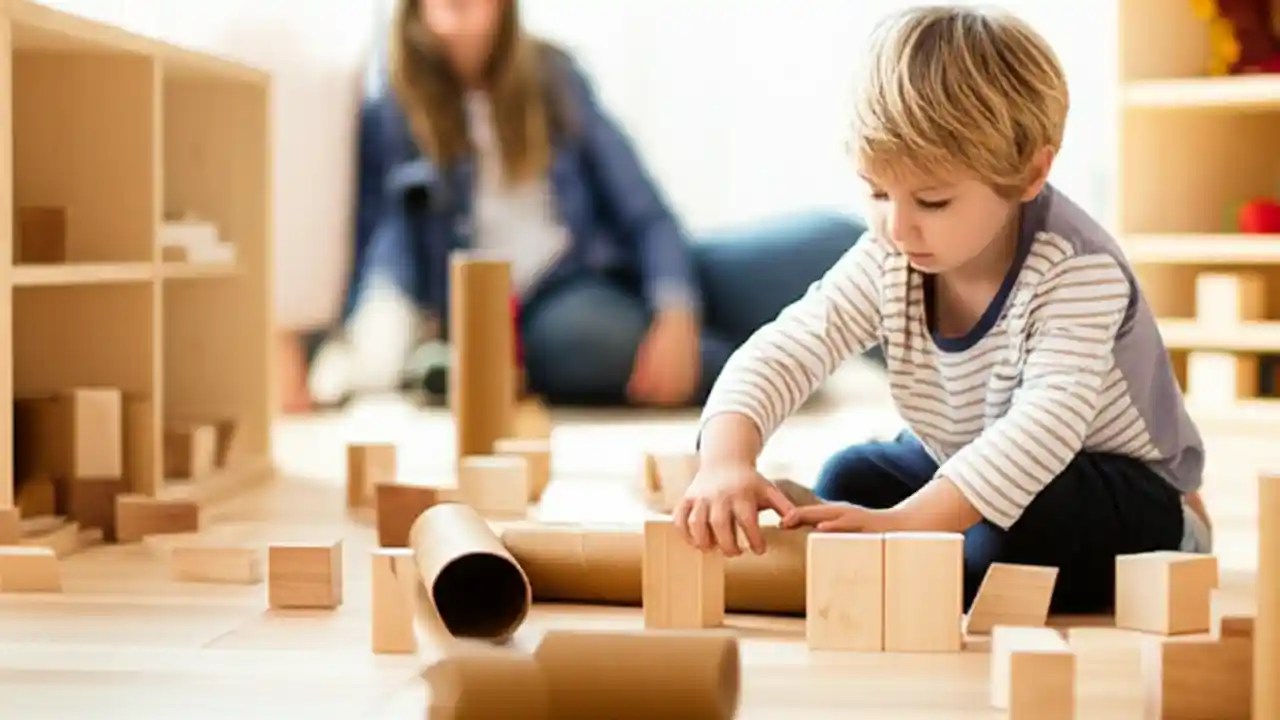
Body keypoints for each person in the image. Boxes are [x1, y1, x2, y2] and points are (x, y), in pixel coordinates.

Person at [676, 4, 1213, 614]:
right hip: (965, 459)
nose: (898, 226)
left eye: (931, 200)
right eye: (877, 191)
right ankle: (941, 551)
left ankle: (1154, 535)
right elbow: (790, 345)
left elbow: (1044, 428)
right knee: (848, 481)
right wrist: (724, 460)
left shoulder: (1077, 270)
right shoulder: (889, 251)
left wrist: (909, 524)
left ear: (1030, 172)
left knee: (1017, 533)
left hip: (1116, 486)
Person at [309, 0, 871, 408]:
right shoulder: (392, 108)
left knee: (837, 242)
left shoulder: (554, 75)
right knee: (587, 341)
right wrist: (338, 342)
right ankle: (782, 372)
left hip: (613, 268)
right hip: (540, 315)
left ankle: (930, 389)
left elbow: (644, 211)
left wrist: (674, 307)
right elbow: (378, 242)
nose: (470, 17)